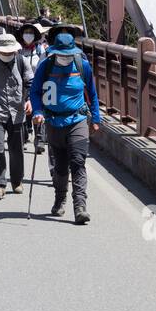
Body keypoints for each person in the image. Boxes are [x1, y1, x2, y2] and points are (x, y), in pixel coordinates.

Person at [29, 27, 100, 225]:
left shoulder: (82, 65)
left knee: (78, 162)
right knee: (60, 167)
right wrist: (37, 112)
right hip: (53, 122)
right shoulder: (46, 66)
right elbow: (34, 92)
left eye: (69, 54)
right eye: (62, 54)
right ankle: (60, 199)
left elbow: (92, 93)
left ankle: (80, 207)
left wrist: (95, 118)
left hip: (77, 120)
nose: (66, 58)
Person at [0, 32, 32, 200]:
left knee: (16, 149)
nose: (7, 55)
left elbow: (30, 83)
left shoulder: (21, 61)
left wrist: (29, 100)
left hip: (17, 112)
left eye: (10, 52)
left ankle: (17, 181)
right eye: (4, 52)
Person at [18, 22, 47, 155]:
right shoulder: (18, 50)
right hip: (22, 86)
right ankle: (23, 137)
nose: (28, 35)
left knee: (38, 111)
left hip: (38, 86)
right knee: (23, 112)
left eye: (30, 32)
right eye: (26, 32)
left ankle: (39, 140)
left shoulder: (41, 50)